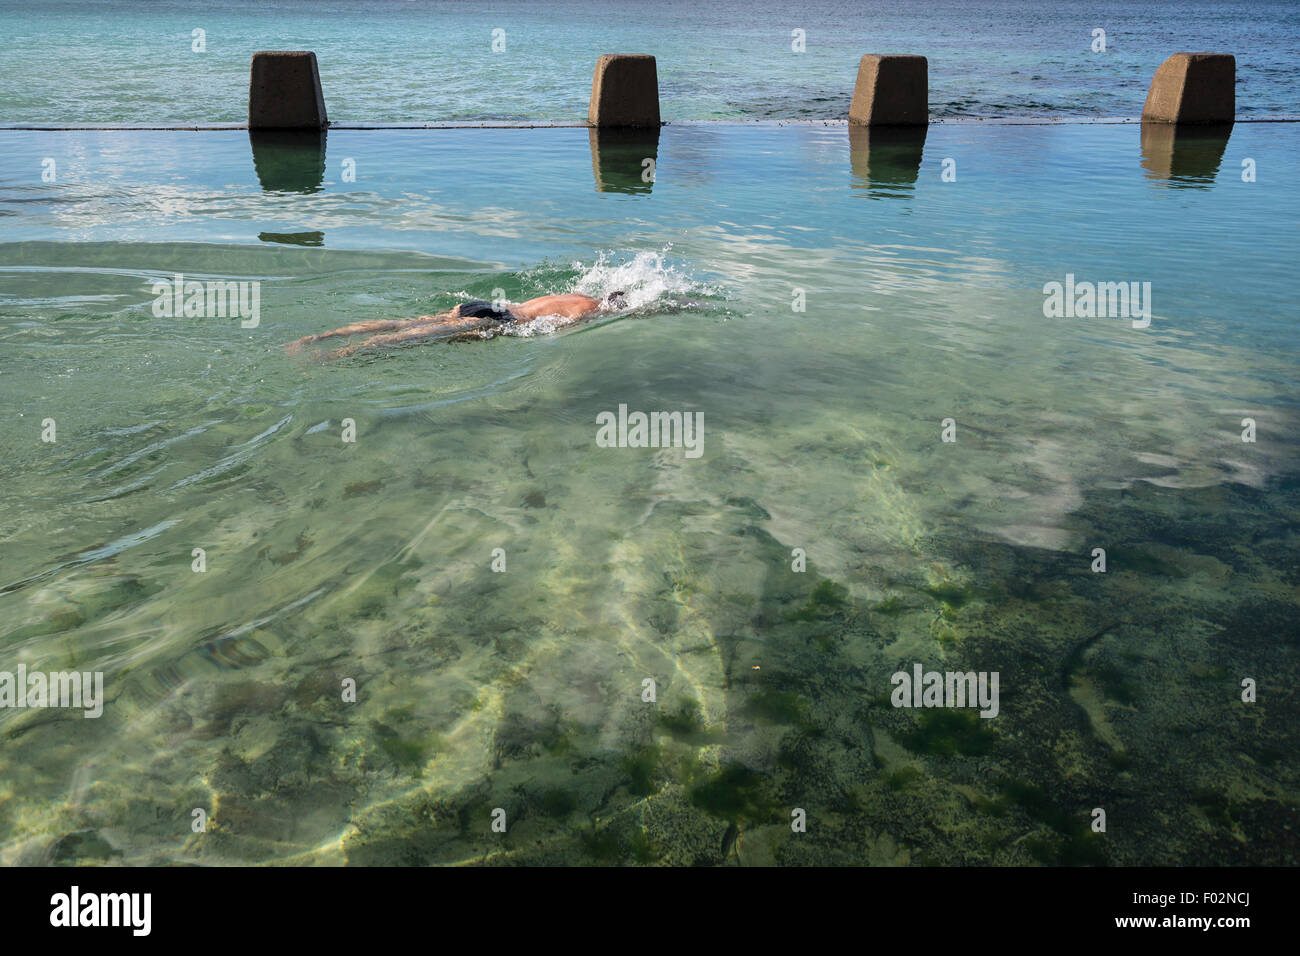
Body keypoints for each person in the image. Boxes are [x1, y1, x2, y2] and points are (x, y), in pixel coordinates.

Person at [286, 291, 626, 357]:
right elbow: (548, 330)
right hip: (499, 317)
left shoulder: (575, 293)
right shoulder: (587, 312)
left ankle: (318, 337)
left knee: (398, 324)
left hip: (487, 304)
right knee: (411, 339)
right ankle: (333, 356)